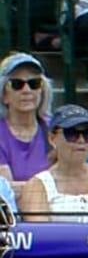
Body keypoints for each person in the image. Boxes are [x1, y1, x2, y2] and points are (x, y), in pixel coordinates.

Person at [0, 53, 52, 185]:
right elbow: (6, 191)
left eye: (34, 83)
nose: (26, 90)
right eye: (17, 84)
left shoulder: (56, 128)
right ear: (4, 95)